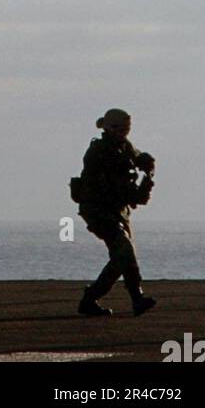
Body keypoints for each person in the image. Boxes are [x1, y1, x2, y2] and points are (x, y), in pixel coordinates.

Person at [74, 108, 156, 317]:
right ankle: (91, 297)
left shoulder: (124, 147)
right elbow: (106, 186)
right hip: (98, 211)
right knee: (123, 252)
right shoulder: (98, 152)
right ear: (110, 128)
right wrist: (133, 192)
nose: (125, 133)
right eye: (121, 128)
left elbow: (137, 158)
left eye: (127, 129)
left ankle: (136, 299)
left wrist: (145, 164)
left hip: (118, 211)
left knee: (126, 254)